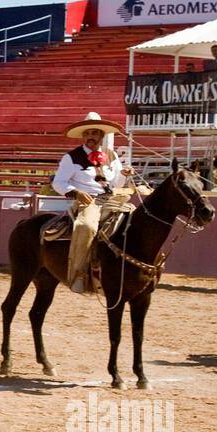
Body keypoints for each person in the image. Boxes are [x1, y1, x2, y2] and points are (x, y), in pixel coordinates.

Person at [51, 112, 132, 295]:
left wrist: (124, 174)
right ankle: (78, 274)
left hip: (111, 199)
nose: (90, 137)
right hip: (88, 202)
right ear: (82, 136)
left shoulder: (111, 156)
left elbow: (116, 183)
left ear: (101, 136)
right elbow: (58, 182)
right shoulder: (71, 157)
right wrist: (76, 192)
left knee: (135, 219)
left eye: (94, 133)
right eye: (87, 133)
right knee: (86, 227)